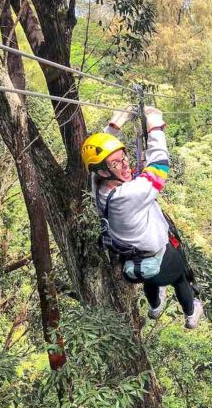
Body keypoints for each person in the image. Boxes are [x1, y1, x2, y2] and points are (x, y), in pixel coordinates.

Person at [80, 106, 204, 329]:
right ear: (103, 171)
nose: (125, 164)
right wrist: (155, 126)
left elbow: (99, 156)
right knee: (180, 279)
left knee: (151, 282)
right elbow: (158, 167)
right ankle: (191, 313)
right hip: (160, 258)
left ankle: (155, 306)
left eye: (123, 157)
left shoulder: (99, 185)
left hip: (134, 260)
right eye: (116, 163)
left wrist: (114, 126)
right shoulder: (128, 195)